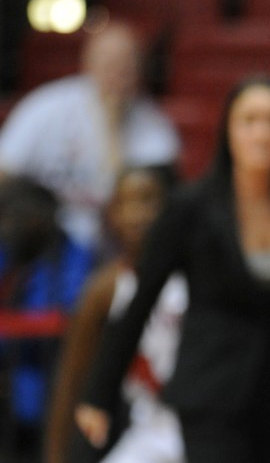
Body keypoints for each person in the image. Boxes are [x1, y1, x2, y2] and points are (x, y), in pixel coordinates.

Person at [76, 77, 270, 462]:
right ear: (228, 129)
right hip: (211, 389)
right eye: (249, 120)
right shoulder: (191, 207)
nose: (263, 133)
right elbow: (140, 302)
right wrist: (98, 394)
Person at [0, 20, 180, 250]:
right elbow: (5, 171)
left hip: (108, 246)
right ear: (87, 64)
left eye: (126, 65)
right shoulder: (46, 106)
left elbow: (132, 209)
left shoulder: (156, 130)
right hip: (39, 238)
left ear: (141, 70)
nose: (117, 74)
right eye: (109, 63)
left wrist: (111, 129)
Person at [45, 166, 182, 463]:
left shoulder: (195, 274)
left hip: (203, 421)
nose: (137, 214)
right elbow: (71, 380)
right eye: (125, 202)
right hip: (146, 426)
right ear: (112, 214)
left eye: (148, 200)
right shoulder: (104, 288)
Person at [0, 176, 95, 461]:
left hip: (53, 394)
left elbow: (71, 320)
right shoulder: (7, 253)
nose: (6, 227)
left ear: (38, 220)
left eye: (11, 218)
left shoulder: (75, 258)